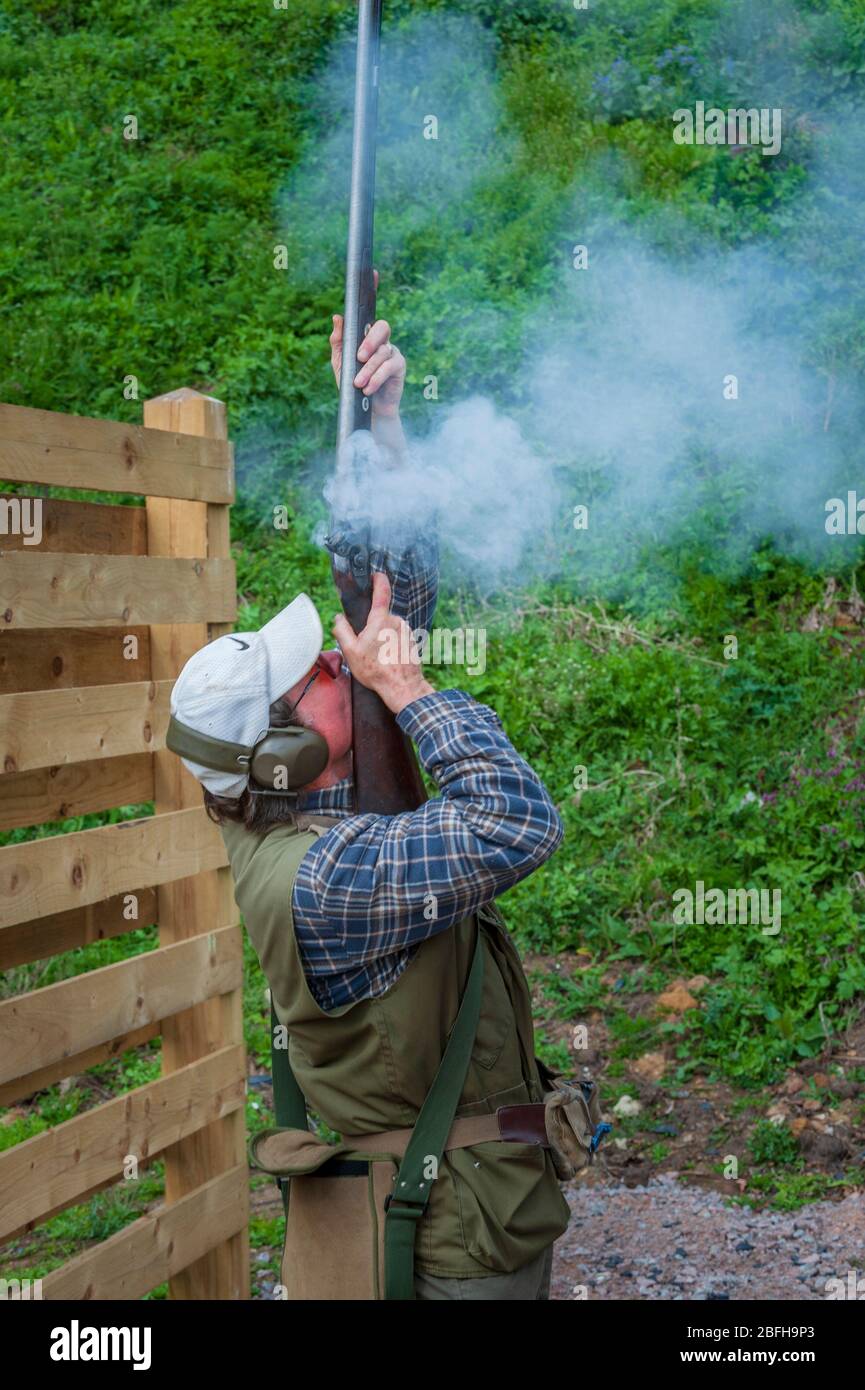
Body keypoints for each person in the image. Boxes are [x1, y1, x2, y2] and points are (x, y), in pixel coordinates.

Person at [167, 296, 572, 1299]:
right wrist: (412, 691)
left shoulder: (299, 815)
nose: (339, 665)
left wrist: (381, 434)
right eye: (312, 679)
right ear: (287, 751)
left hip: (454, 1206)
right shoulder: (327, 877)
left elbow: (391, 601)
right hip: (449, 1241)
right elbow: (517, 819)